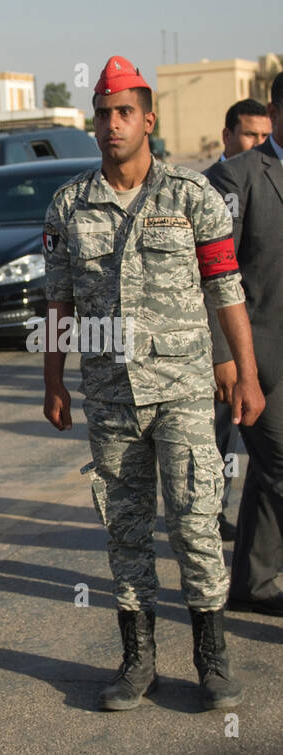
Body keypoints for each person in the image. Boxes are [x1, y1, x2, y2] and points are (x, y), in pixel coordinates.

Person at [41, 56, 264, 712]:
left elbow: (227, 291)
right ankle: (138, 659)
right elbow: (57, 303)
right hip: (110, 396)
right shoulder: (69, 204)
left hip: (186, 388)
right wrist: (53, 381)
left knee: (195, 524)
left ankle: (212, 658)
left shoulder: (192, 197)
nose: (112, 125)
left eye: (124, 113)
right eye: (104, 114)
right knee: (126, 529)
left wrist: (246, 374)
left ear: (148, 119)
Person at [207, 73, 283, 616]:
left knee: (267, 472)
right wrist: (227, 358)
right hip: (262, 363)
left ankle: (252, 583)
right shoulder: (238, 178)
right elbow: (215, 276)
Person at [205, 97, 272, 540]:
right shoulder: (204, 188)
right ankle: (209, 519)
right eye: (250, 134)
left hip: (267, 338)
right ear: (227, 134)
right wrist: (222, 354)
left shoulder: (270, 178)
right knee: (217, 440)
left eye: (265, 136)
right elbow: (209, 282)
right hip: (225, 342)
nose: (257, 144)